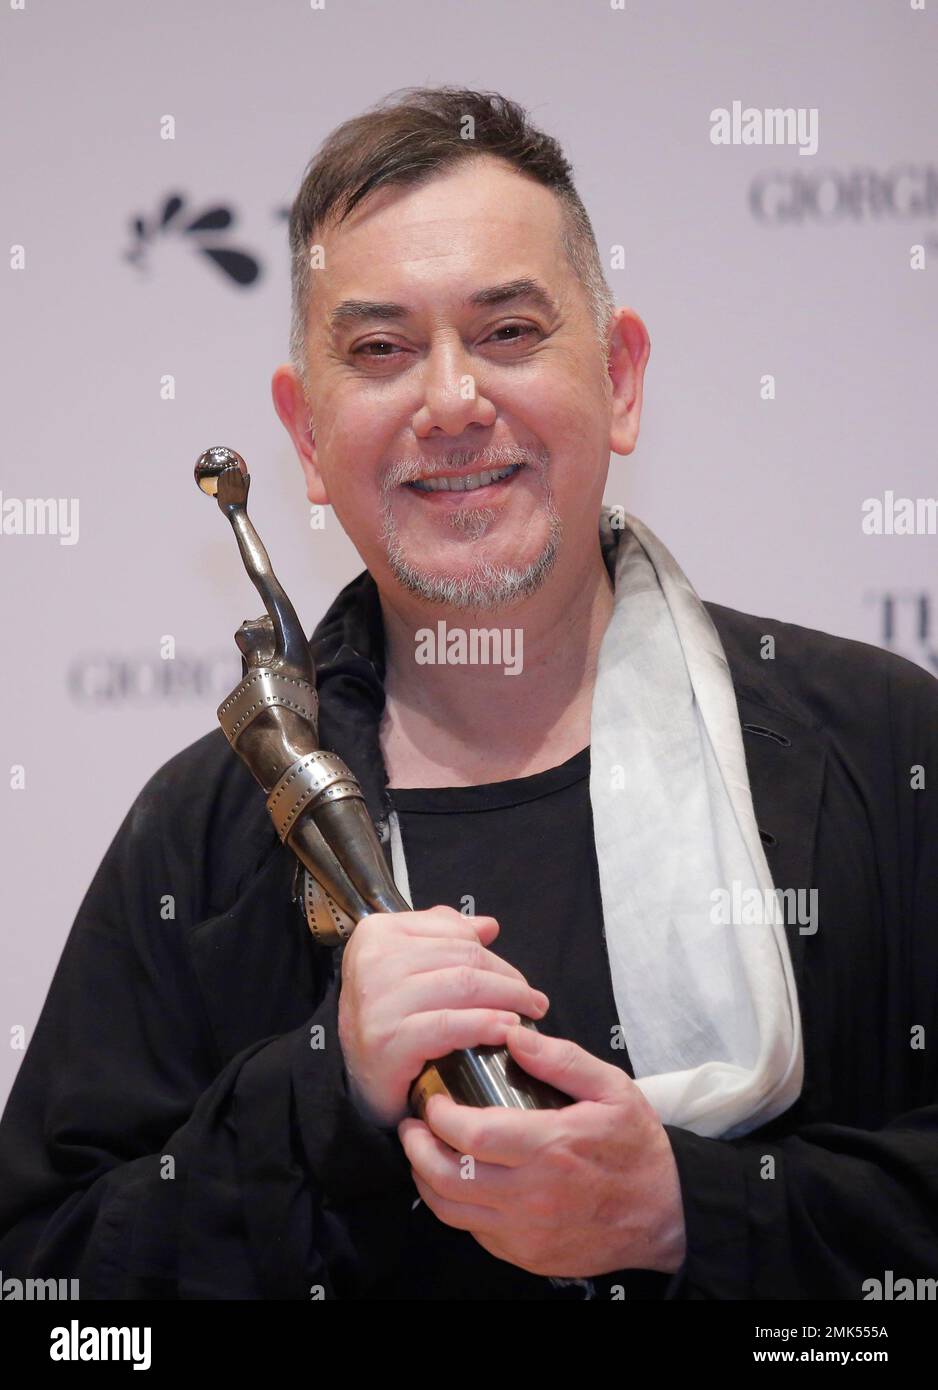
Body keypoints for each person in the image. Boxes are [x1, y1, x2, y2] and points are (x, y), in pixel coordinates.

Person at [1, 86, 935, 1302]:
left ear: (621, 378)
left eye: (506, 332)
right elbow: (50, 1298)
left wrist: (684, 1216)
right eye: (379, 350)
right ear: (304, 436)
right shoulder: (210, 832)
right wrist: (320, 1093)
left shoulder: (877, 745)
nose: (449, 402)